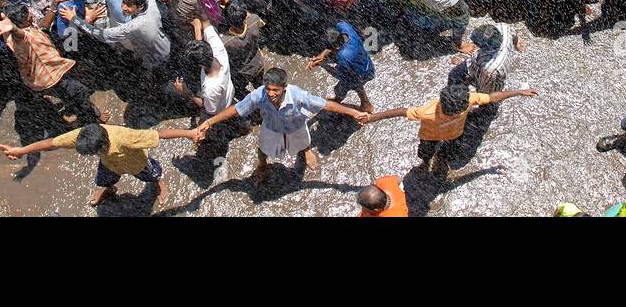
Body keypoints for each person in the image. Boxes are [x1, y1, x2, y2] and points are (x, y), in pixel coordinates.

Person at [193, 66, 368, 184]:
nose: (270, 94)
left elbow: (326, 105)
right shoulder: (258, 95)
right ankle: (262, 166)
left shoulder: (298, 95)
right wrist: (209, 121)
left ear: (284, 87)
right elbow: (236, 110)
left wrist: (353, 112)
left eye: (275, 90)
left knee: (304, 143)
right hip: (271, 128)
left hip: (296, 127)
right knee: (262, 150)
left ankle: (306, 152)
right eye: (268, 89)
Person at [360, 83, 538, 179]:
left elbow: (492, 97)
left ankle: (431, 163)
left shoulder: (464, 100)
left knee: (437, 153)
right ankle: (427, 163)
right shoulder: (431, 110)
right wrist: (370, 118)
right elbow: (397, 112)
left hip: (444, 136)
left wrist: (519, 92)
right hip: (442, 136)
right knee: (430, 154)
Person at [7, 122, 199, 208]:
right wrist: (22, 150)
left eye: (92, 152)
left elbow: (160, 134)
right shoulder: (83, 135)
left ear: (104, 144)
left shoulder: (126, 138)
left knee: (152, 174)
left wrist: (190, 134)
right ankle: (109, 189)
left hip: (136, 163)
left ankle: (159, 185)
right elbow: (50, 144)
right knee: (104, 180)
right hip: (109, 164)